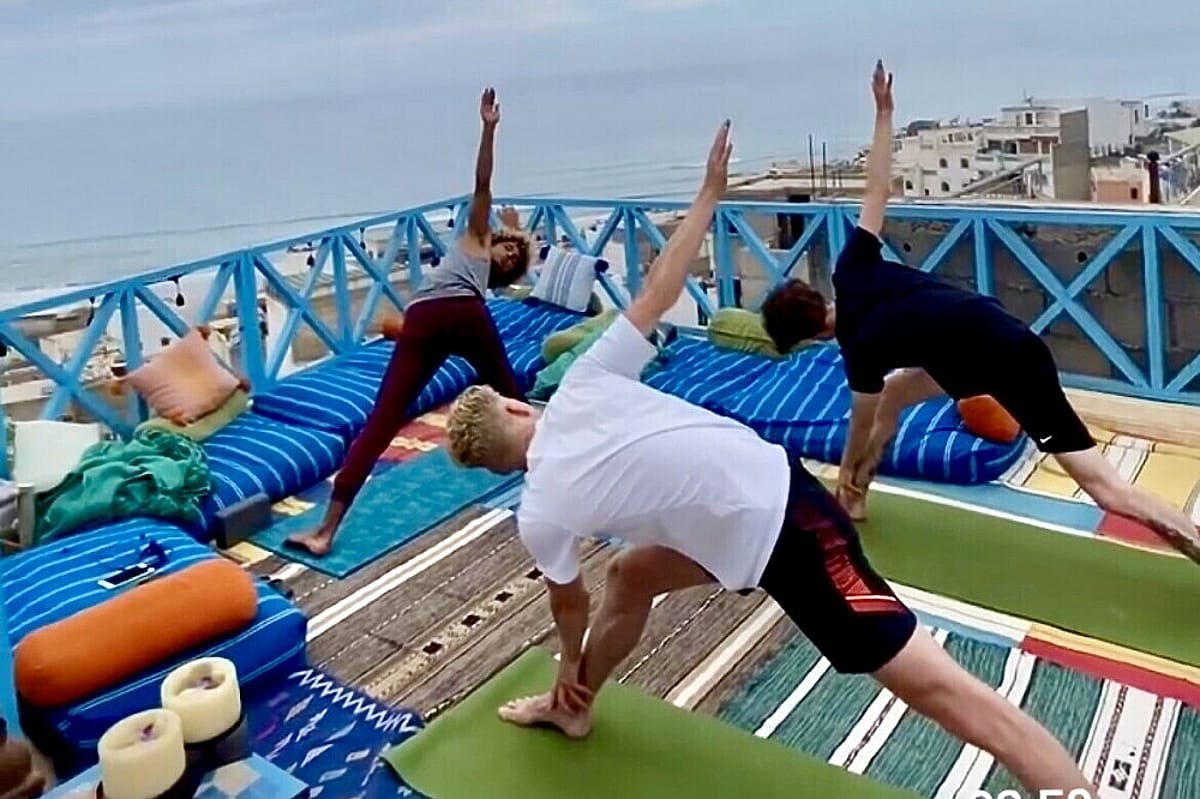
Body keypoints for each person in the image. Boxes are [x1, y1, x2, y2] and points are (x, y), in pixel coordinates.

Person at [444, 121, 1096, 797]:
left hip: (788, 527)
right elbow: (661, 291)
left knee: (937, 687)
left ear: (501, 467)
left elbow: (567, 610)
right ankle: (574, 709)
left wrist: (568, 661)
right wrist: (707, 196)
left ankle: (1072, 788)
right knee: (632, 574)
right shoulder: (578, 384)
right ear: (518, 409)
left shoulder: (539, 513)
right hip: (754, 516)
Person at [759, 61, 1200, 565]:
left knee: (1105, 489)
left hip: (1009, 362)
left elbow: (858, 431)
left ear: (809, 337)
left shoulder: (858, 351)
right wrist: (884, 113)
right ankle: (857, 500)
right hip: (984, 337)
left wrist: (846, 471)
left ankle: (1192, 540)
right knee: (895, 396)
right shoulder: (851, 267)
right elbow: (877, 188)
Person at [286, 87, 532, 557]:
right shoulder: (478, 235)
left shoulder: (479, 271)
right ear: (496, 239)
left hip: (462, 314)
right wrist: (488, 129)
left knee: (511, 395)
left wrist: (489, 134)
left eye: (513, 256)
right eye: (508, 244)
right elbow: (483, 186)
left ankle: (554, 473)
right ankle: (325, 531)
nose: (507, 252)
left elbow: (486, 193)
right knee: (382, 419)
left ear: (506, 271)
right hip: (426, 319)